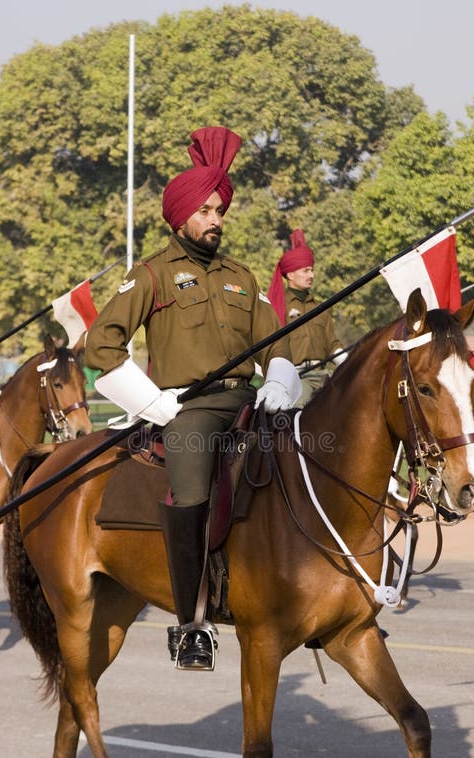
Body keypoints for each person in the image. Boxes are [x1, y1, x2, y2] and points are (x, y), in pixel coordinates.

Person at [85, 126, 301, 671]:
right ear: (181, 216)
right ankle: (191, 625)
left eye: (219, 211)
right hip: (190, 410)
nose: (215, 220)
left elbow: (276, 342)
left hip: (250, 400)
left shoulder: (241, 276)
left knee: (312, 455)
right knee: (190, 492)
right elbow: (101, 344)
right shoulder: (152, 274)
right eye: (205, 211)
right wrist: (153, 404)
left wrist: (278, 380)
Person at [267, 229, 345, 405]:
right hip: (296, 377)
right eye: (306, 271)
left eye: (312, 270)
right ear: (290, 275)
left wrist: (351, 363)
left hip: (325, 376)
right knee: (297, 409)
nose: (311, 275)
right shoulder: (277, 307)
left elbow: (333, 345)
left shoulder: (320, 308)